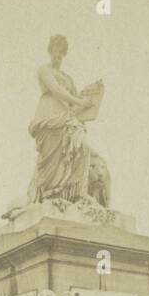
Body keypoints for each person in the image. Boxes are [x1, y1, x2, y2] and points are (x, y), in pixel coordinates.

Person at [26, 34, 105, 205]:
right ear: (50, 52)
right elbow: (57, 91)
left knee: (80, 147)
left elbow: (76, 101)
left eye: (61, 53)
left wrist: (94, 94)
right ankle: (49, 194)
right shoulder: (44, 70)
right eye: (55, 52)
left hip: (68, 118)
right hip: (49, 115)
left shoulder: (68, 78)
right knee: (51, 159)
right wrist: (80, 101)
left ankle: (75, 192)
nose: (57, 56)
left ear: (64, 54)